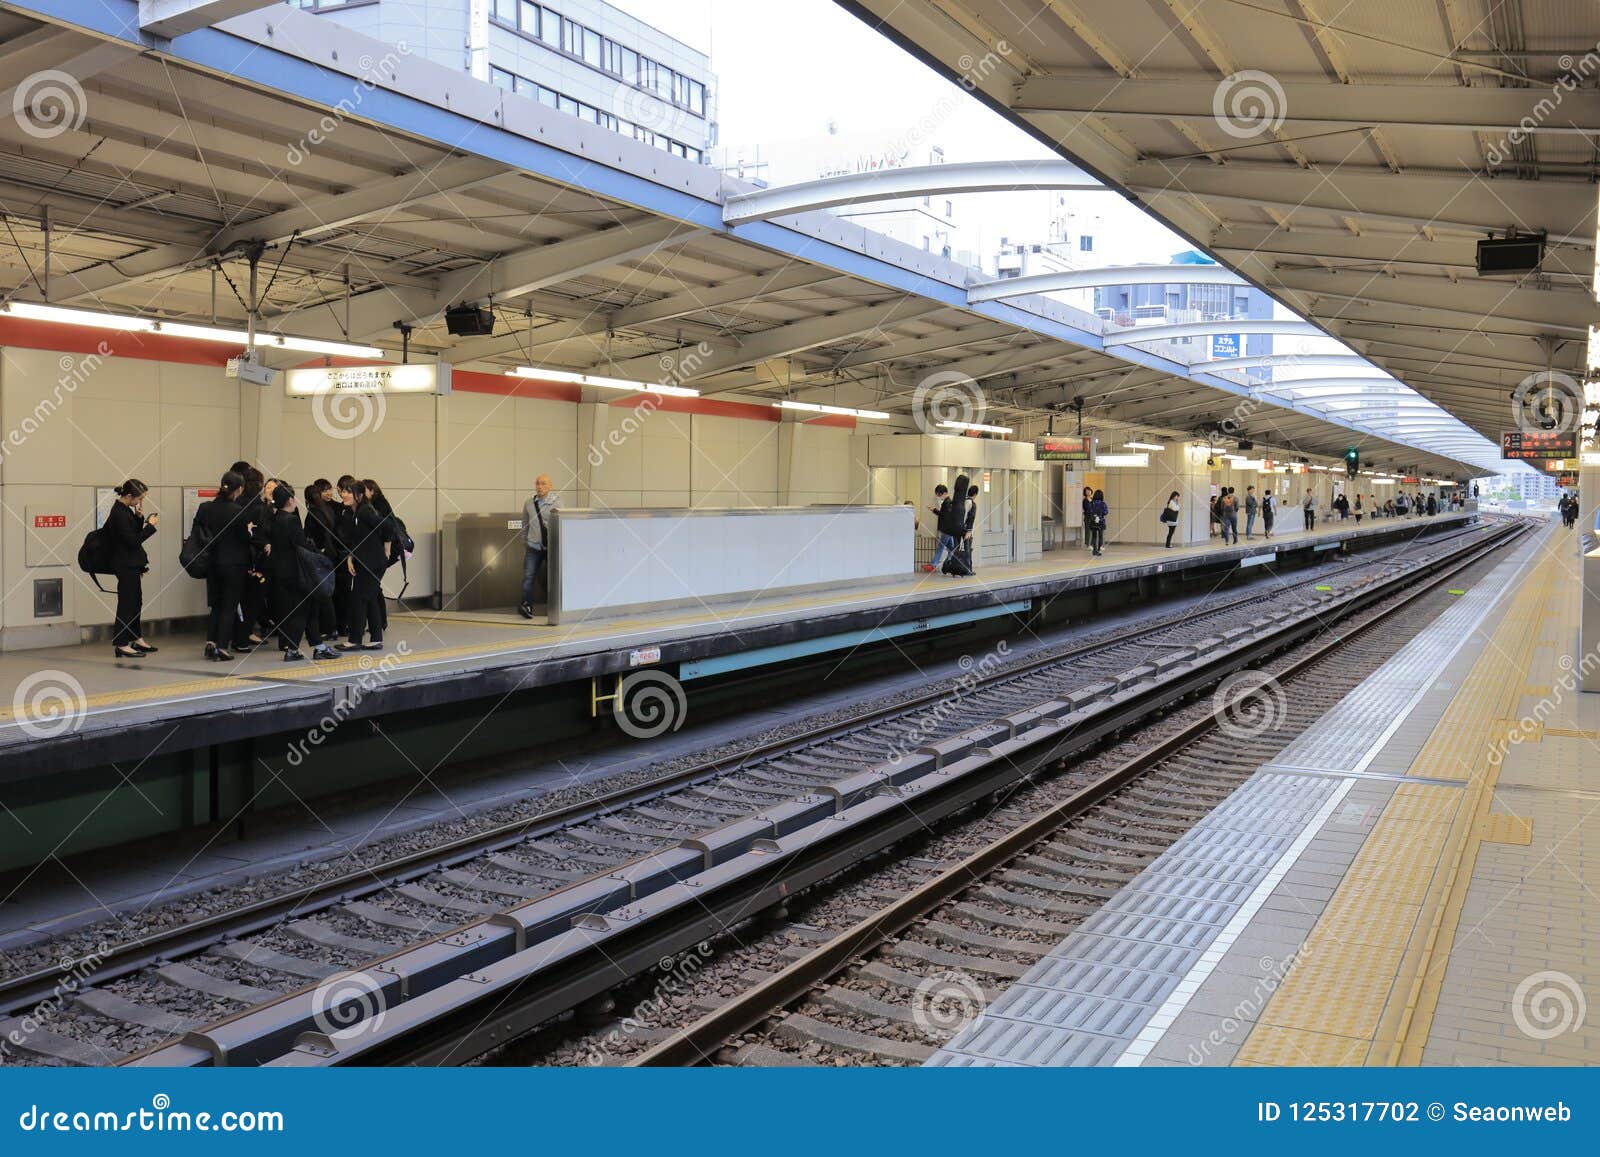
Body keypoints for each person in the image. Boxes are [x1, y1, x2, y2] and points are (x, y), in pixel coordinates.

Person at [266, 484, 336, 662]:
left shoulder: (275, 518)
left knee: (308, 608)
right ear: (290, 500)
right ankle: (292, 649)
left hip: (281, 572)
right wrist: (318, 552)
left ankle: (318, 647)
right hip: (297, 572)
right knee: (302, 611)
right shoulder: (291, 520)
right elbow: (301, 543)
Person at [199, 471, 254, 661]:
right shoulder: (238, 511)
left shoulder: (205, 508)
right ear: (239, 489)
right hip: (233, 564)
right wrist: (249, 532)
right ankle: (222, 647)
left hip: (212, 562)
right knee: (229, 606)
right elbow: (244, 539)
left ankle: (210, 643)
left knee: (216, 604)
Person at [106, 479, 158, 658]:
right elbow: (133, 541)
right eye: (139, 499)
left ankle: (136, 637)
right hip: (125, 564)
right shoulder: (118, 513)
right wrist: (150, 526)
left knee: (136, 601)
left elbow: (131, 534)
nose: (140, 502)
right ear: (128, 496)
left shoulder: (124, 511)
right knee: (127, 602)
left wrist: (139, 518)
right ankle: (121, 643)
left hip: (131, 563)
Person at [339, 479, 389, 650]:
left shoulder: (365, 512)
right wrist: (351, 557)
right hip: (365, 560)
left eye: (348, 491)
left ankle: (355, 639)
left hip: (373, 563)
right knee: (370, 598)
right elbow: (357, 539)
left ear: (359, 495)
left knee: (358, 599)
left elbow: (387, 526)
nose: (343, 494)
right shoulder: (353, 512)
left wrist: (387, 549)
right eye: (343, 491)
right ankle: (376, 638)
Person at [303, 480, 342, 650]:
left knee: (322, 594)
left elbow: (310, 538)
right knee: (328, 593)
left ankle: (328, 628)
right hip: (331, 555)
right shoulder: (328, 510)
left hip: (320, 556)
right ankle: (332, 627)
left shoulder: (313, 513)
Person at [519, 473, 559, 618]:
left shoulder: (557, 503)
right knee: (528, 577)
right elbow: (525, 523)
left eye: (543, 483)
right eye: (537, 483)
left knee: (554, 578)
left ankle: (556, 607)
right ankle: (526, 606)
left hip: (551, 548)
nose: (539, 486)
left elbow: (562, 524)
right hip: (533, 547)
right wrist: (525, 541)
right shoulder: (529, 503)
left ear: (550, 486)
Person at [924, 484, 953, 572]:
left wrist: (935, 510)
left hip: (946, 529)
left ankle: (933, 564)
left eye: (939, 495)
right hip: (949, 529)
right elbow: (944, 515)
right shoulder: (948, 502)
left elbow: (945, 516)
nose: (939, 497)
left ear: (944, 493)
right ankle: (949, 563)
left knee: (941, 547)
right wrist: (934, 510)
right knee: (952, 548)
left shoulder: (947, 502)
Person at [1087, 489, 1108, 557]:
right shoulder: (1103, 504)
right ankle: (1098, 550)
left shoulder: (1091, 503)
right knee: (1100, 535)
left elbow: (1089, 511)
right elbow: (1106, 512)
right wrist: (1100, 515)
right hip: (1101, 521)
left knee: (1094, 536)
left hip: (1093, 521)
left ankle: (1094, 550)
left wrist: (1094, 515)